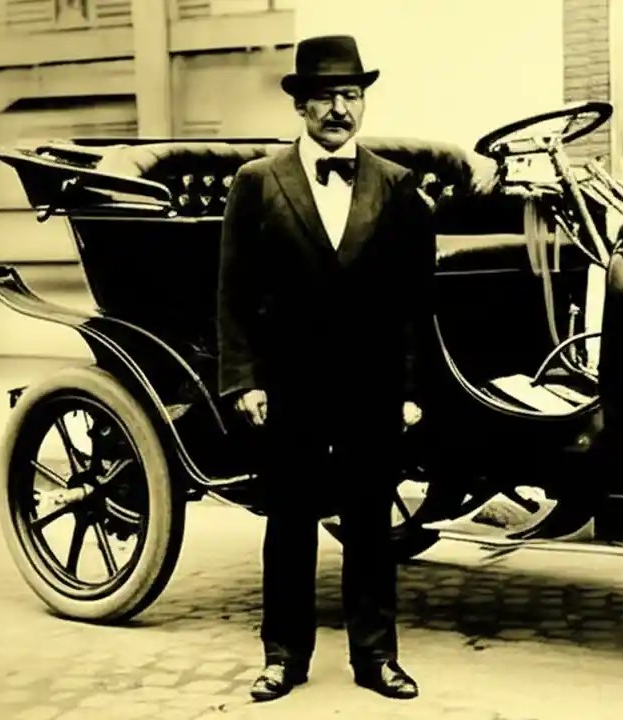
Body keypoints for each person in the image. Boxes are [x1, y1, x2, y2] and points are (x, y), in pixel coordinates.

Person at [216, 34, 432, 703]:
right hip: (290, 386)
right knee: (290, 524)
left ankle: (376, 659)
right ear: (302, 106)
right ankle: (283, 657)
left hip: (369, 387)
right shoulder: (258, 182)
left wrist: (409, 390)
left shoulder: (395, 186)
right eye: (327, 97)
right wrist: (243, 380)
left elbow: (413, 303)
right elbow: (233, 291)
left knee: (371, 524)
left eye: (352, 95)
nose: (341, 109)